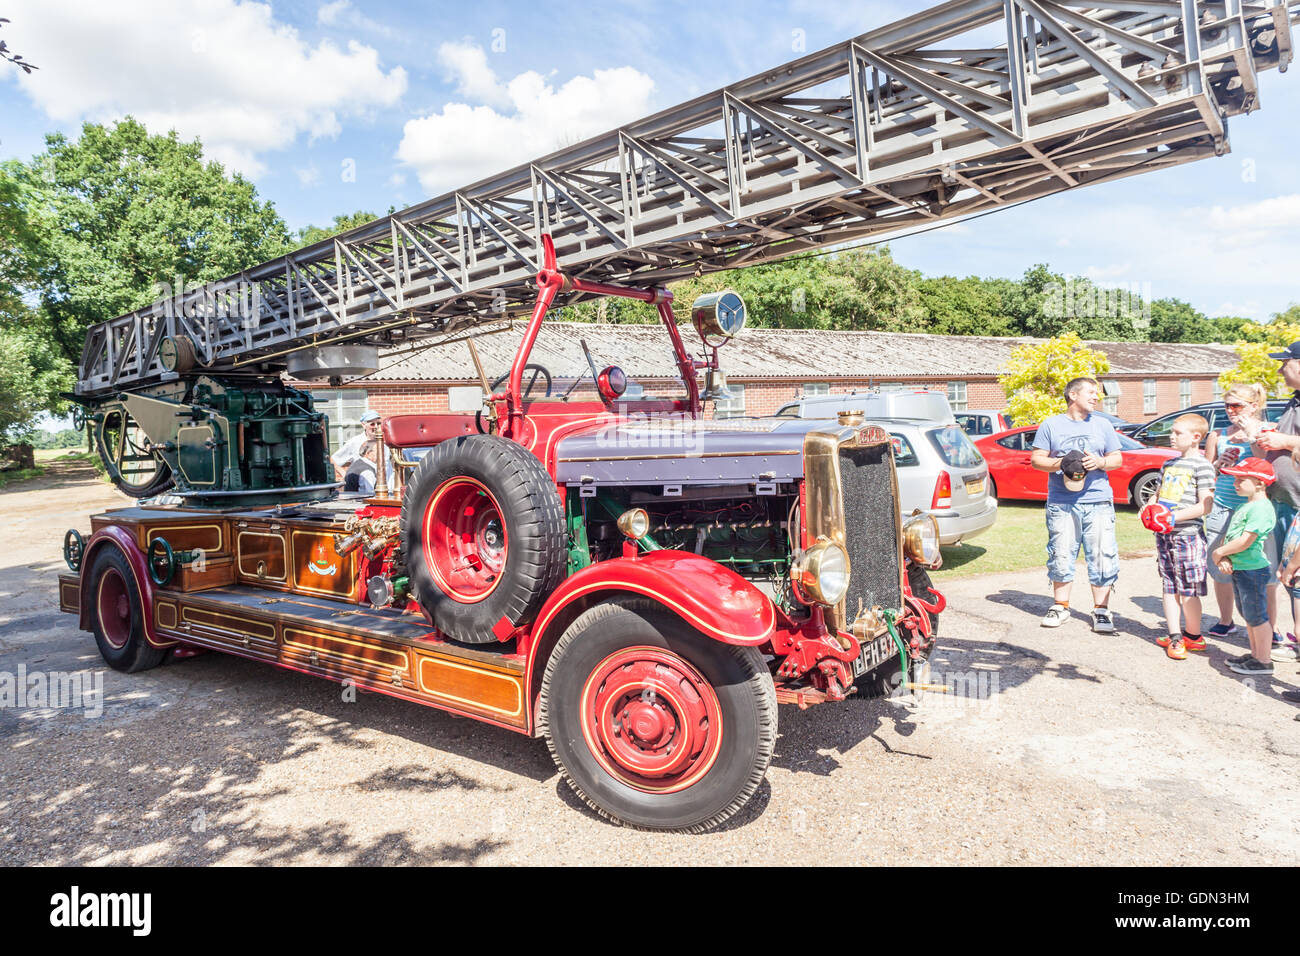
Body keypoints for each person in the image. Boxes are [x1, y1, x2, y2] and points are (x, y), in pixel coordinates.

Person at [1031, 377, 1123, 632]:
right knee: (1061, 553)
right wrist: (1060, 463)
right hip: (1062, 502)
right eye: (1091, 392)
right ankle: (1061, 606)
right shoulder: (1051, 425)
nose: (1096, 397)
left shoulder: (1103, 425)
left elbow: (1116, 458)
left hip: (1099, 500)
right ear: (1073, 395)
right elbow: (1037, 459)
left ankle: (1101, 611)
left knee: (1103, 556)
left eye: (1097, 393)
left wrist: (1101, 463)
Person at [1203, 383, 1273, 638]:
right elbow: (1206, 469)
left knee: (1257, 565)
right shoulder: (1218, 434)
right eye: (1227, 405)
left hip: (1252, 508)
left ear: (1253, 407)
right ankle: (1225, 619)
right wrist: (1218, 465)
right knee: (1219, 562)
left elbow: (1266, 460)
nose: (1231, 411)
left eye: (1237, 405)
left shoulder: (1266, 432)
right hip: (1223, 504)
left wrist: (1250, 433)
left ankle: (1266, 625)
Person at [1144, 414, 1215, 660]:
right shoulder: (1169, 464)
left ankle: (1193, 636)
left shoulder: (1203, 465)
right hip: (1164, 536)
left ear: (1196, 437)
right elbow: (1158, 494)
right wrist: (1149, 508)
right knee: (1169, 585)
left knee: (1188, 590)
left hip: (1188, 536)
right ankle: (1175, 636)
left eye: (1177, 433)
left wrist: (1174, 518)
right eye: (1171, 432)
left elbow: (1205, 506)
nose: (1171, 437)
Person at [1253, 340, 1300, 662]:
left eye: (1286, 362)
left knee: (1296, 578)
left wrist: (1285, 440)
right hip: (1282, 502)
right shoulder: (1292, 403)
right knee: (1290, 579)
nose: (1281, 369)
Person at [1211, 457, 1278, 677]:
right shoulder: (1245, 505)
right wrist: (1224, 556)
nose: (1235, 484)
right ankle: (1255, 653)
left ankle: (1264, 660)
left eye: (1241, 479)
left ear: (1260, 482)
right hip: (1242, 568)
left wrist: (1220, 553)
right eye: (1235, 479)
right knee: (1248, 614)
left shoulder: (1261, 508)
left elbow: (1245, 541)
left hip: (1253, 570)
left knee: (1257, 616)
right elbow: (1231, 536)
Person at [332, 410, 382, 481]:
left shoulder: (385, 441)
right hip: (363, 487)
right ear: (363, 425)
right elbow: (333, 460)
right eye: (372, 424)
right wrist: (344, 473)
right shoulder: (355, 442)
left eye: (378, 423)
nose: (376, 426)